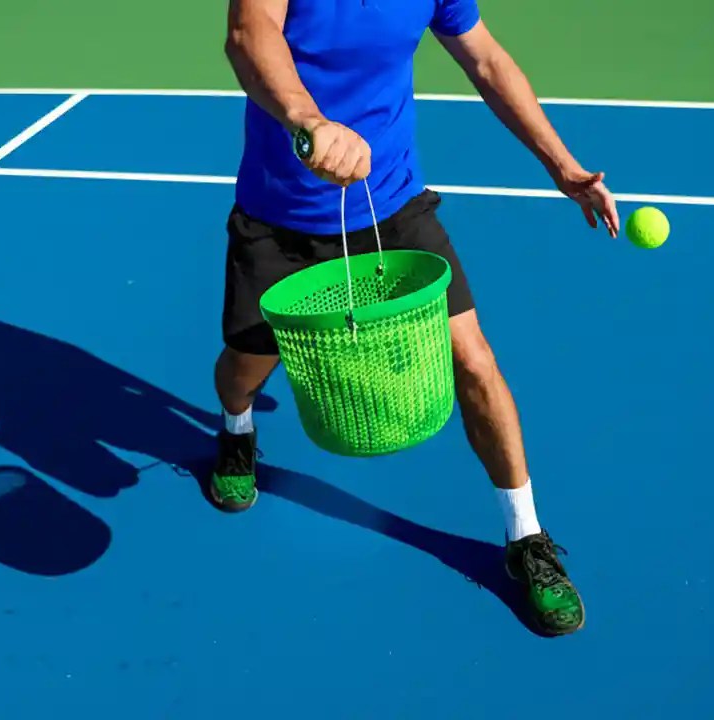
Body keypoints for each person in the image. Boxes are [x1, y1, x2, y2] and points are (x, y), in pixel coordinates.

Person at [211, 0, 620, 637]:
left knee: (473, 359)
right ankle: (237, 431)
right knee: (246, 366)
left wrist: (561, 165)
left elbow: (484, 58)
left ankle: (527, 538)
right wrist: (308, 120)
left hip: (394, 204)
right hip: (282, 217)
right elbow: (247, 32)